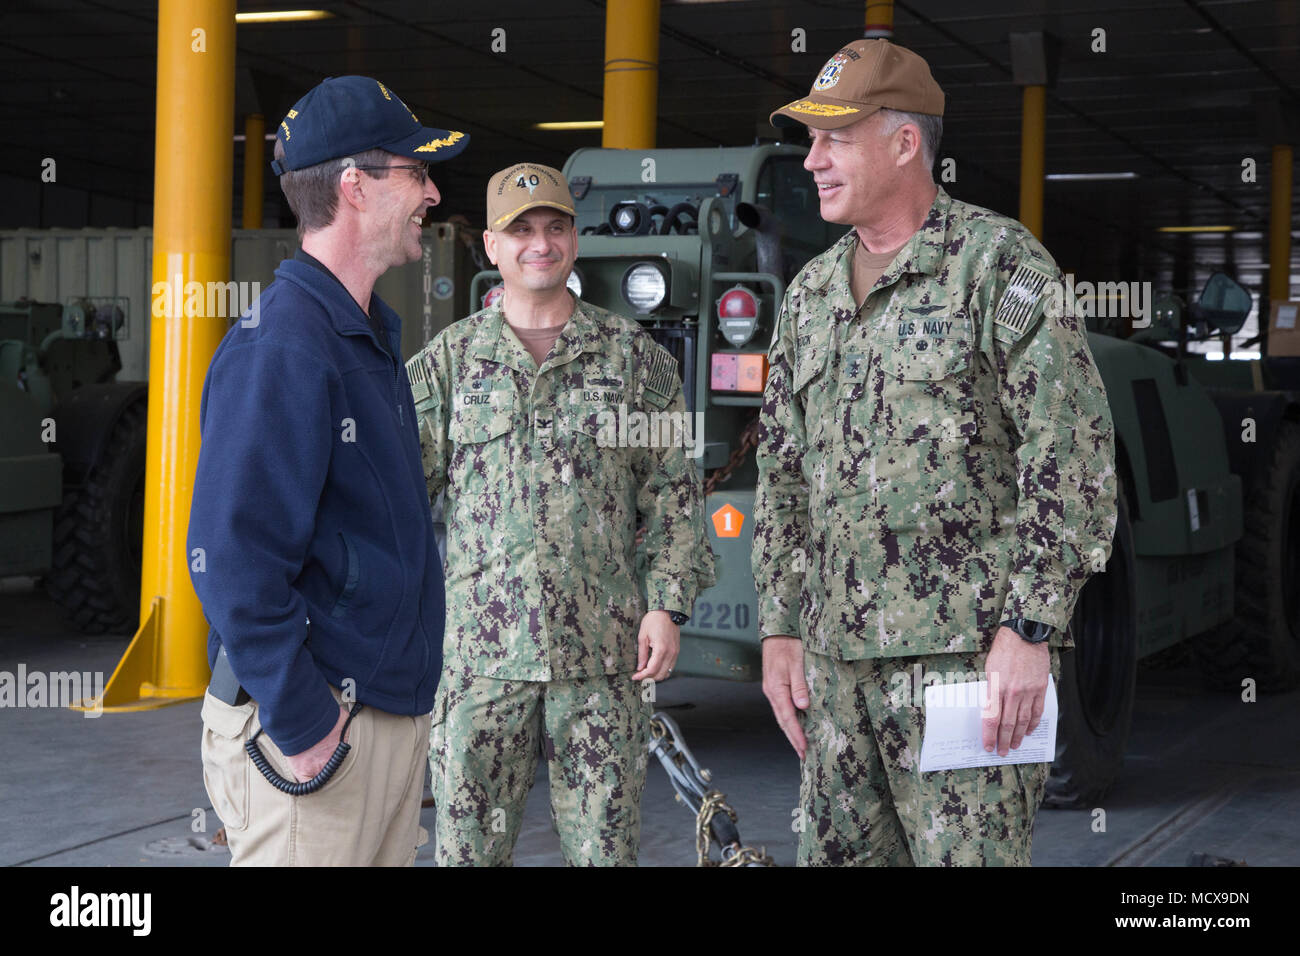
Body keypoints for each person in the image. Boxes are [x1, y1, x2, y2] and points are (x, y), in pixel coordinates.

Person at [753, 39, 1117, 866]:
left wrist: (1030, 627)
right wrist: (778, 626)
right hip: (836, 675)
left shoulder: (999, 266)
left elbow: (1073, 457)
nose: (811, 159)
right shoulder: (809, 295)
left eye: (833, 138)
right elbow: (779, 470)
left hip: (967, 671)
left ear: (905, 141)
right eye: (809, 140)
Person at [189, 75, 468, 866]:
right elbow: (234, 561)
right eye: (416, 173)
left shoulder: (361, 334)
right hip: (318, 737)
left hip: (376, 723)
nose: (432, 191)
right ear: (355, 185)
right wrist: (306, 722)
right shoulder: (284, 347)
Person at [408, 162, 715, 866]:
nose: (538, 244)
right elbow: (398, 505)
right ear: (491, 246)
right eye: (520, 231)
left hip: (604, 664)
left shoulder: (637, 362)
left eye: (554, 227)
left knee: (606, 856)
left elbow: (672, 494)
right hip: (481, 666)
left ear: (574, 239)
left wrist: (667, 605)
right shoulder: (447, 367)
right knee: (468, 856)